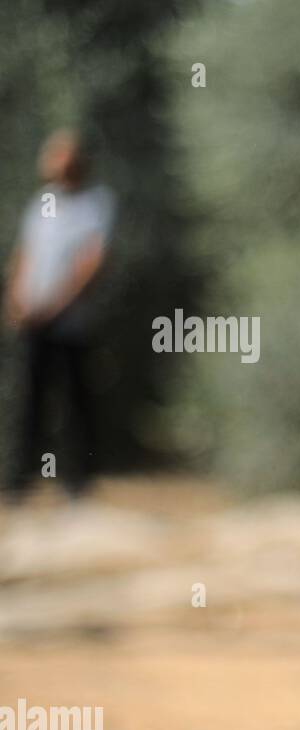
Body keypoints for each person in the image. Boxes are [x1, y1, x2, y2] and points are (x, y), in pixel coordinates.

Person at [3, 128, 116, 498]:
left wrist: (54, 306)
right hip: (35, 323)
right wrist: (16, 300)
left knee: (74, 401)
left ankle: (78, 484)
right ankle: (21, 483)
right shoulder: (42, 203)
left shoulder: (96, 203)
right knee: (31, 401)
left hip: (72, 325)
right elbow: (26, 254)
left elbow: (92, 262)